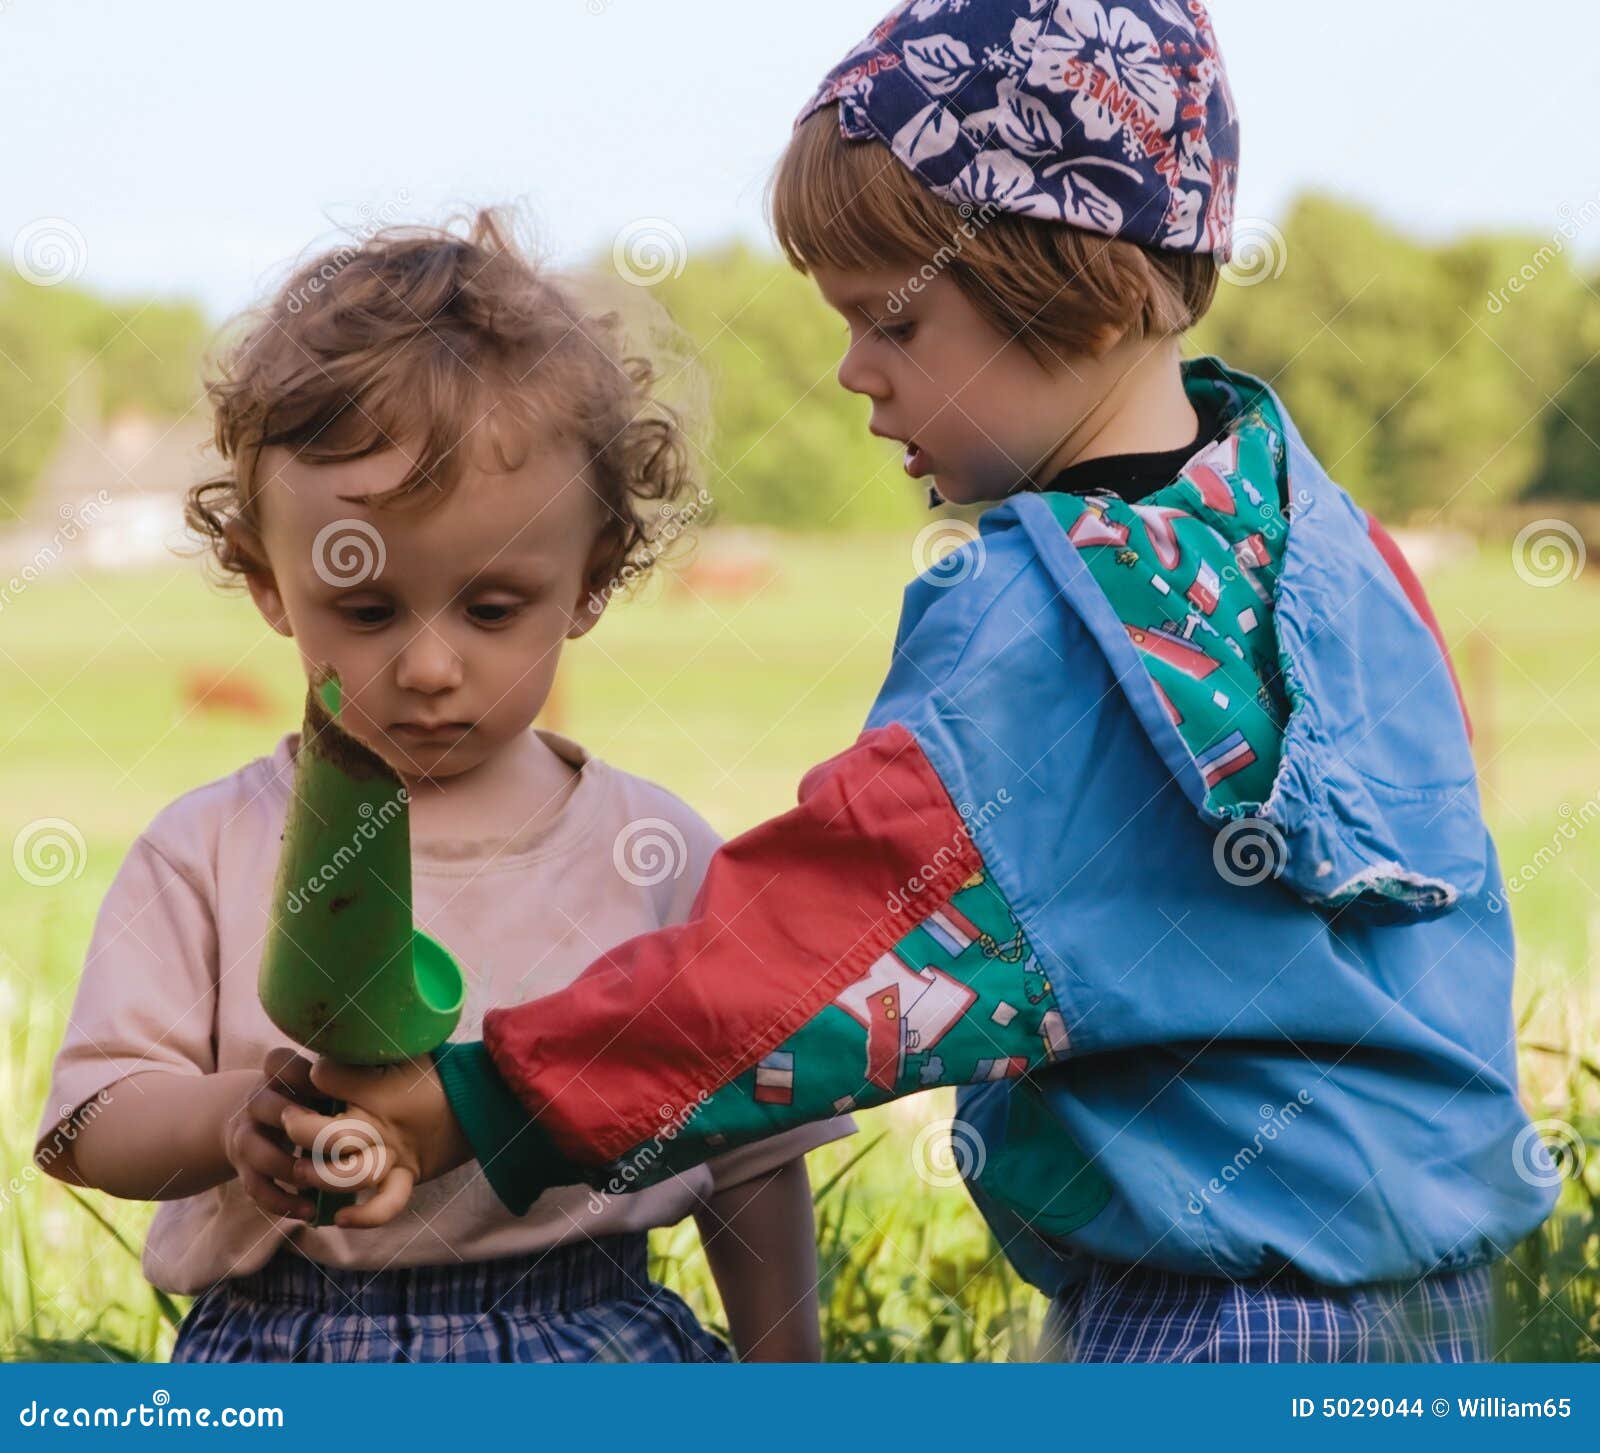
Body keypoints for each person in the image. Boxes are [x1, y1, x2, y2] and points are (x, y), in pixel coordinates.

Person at [281, 1, 1558, 1362]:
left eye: (892, 319)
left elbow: (815, 945)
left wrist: (484, 1097)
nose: (853, 371)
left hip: (1211, 1320)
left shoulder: (1045, 620)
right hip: (1442, 1307)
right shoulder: (1320, 537)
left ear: (1075, 279)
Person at [33, 209, 854, 1363]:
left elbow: (754, 1145)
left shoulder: (657, 849)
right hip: (289, 1344)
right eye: (367, 609)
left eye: (493, 607)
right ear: (268, 582)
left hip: (590, 1331)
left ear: (591, 580)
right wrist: (232, 1119)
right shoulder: (210, 846)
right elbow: (92, 1116)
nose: (428, 666)